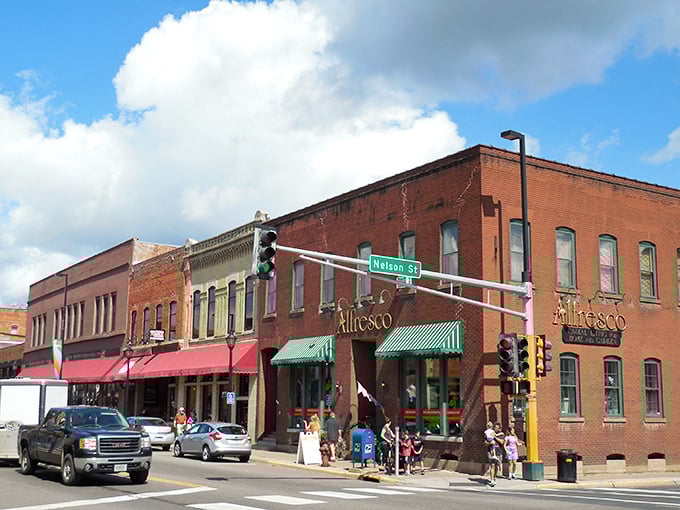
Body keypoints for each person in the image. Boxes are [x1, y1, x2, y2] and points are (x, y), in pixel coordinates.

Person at [485, 421, 502, 487]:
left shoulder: (501, 434)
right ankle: (492, 480)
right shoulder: (489, 432)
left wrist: (495, 437)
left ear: (499, 428)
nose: (496, 428)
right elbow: (485, 443)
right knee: (492, 466)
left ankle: (494, 477)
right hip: (490, 452)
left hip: (499, 452)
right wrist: (490, 443)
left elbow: (502, 442)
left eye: (497, 428)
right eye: (495, 427)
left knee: (497, 467)